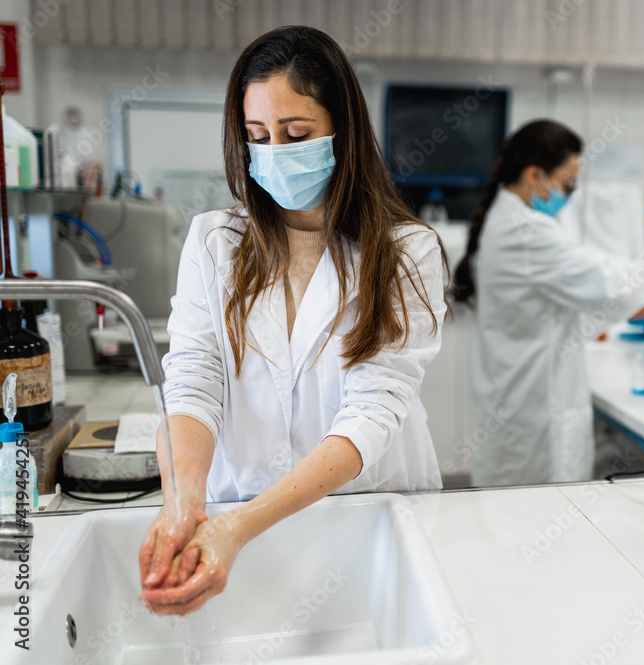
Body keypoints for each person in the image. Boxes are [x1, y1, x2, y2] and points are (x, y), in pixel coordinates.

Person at [137, 26, 447, 616]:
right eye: (257, 136)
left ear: (343, 131)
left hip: (368, 510)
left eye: (296, 134)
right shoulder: (214, 241)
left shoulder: (407, 251)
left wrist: (241, 525)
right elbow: (194, 382)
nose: (274, 152)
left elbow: (374, 409)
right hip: (238, 505)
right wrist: (183, 501)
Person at [454, 120, 644, 487]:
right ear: (536, 175)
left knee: (512, 525)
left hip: (517, 401)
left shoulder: (506, 220)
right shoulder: (527, 231)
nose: (569, 193)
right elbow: (613, 286)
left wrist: (631, 306)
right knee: (531, 522)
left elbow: (551, 308)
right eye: (567, 182)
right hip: (533, 415)